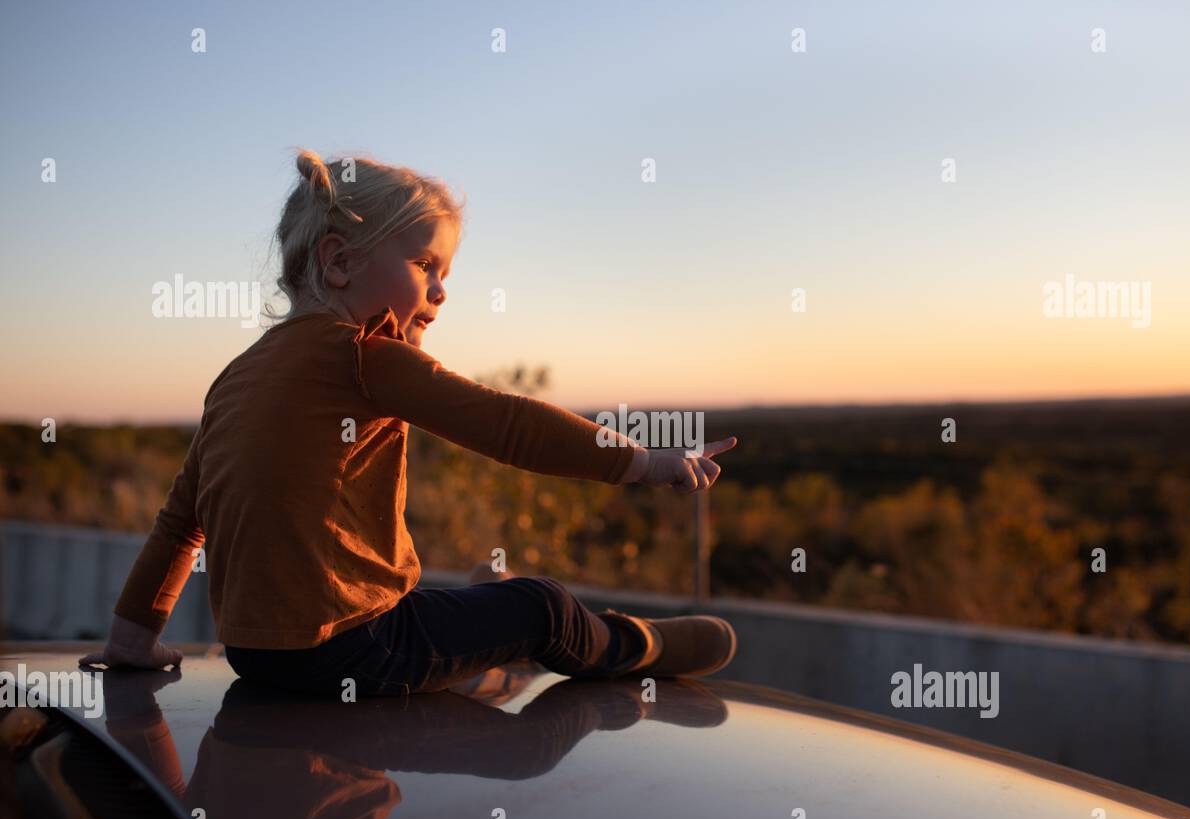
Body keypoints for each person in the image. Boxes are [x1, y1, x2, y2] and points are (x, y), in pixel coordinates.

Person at [79, 150, 739, 697]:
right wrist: (646, 462)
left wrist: (132, 640)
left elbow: (179, 521)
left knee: (439, 609)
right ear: (339, 262)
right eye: (425, 265)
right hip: (357, 647)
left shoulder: (235, 376)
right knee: (542, 607)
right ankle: (635, 645)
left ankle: (479, 653)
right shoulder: (365, 355)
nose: (441, 290)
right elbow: (507, 423)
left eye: (446, 274)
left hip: (259, 659)